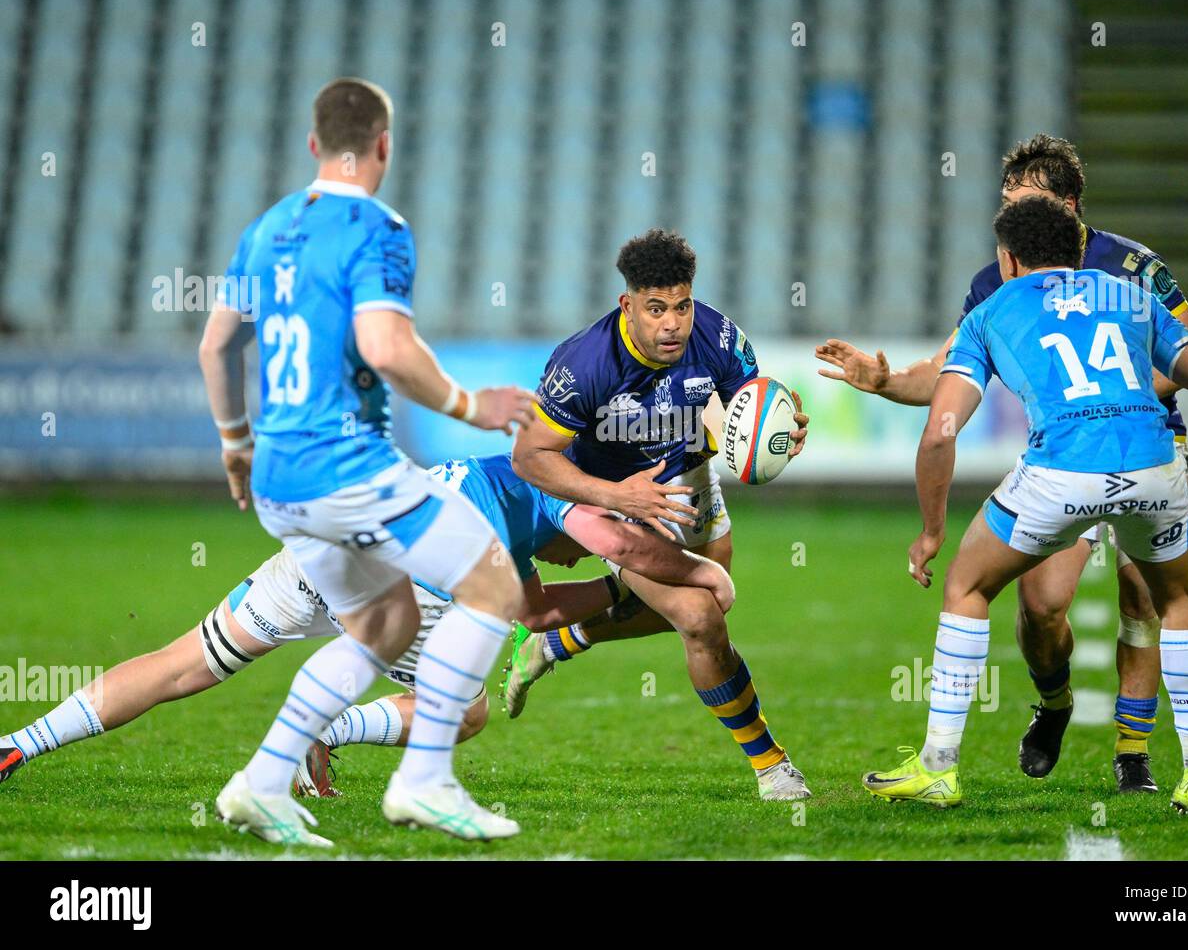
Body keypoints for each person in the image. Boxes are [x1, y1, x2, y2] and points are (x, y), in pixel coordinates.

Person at [198, 78, 534, 846]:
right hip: (344, 465)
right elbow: (386, 348)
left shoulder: (267, 227)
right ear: (384, 144)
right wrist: (468, 406)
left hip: (280, 477)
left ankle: (263, 781)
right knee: (492, 583)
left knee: (387, 623)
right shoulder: (379, 227)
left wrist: (234, 442)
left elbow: (216, 345)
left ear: (314, 145)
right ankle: (424, 780)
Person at [817, 134, 1188, 793]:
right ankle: (1054, 703)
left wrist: (1120, 400)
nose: (1011, 215)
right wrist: (882, 380)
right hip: (1067, 455)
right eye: (1007, 200)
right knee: (1043, 602)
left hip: (1149, 444)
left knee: (1145, 597)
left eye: (1026, 201)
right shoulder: (996, 280)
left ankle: (1133, 755)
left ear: (1070, 205)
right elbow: (943, 378)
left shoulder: (1135, 268)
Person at [0, 455, 733, 803]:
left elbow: (536, 607)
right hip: (399, 586)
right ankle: (328, 730)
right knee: (468, 711)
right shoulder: (559, 498)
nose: (580, 542)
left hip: (328, 548)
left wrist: (604, 591)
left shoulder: (501, 478)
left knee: (181, 664)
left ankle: (16, 745)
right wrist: (699, 576)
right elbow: (621, 549)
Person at [510, 228, 813, 800]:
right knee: (699, 616)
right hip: (609, 495)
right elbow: (529, 457)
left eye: (682, 305)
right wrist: (615, 497)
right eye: (656, 309)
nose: (673, 323)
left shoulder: (720, 336)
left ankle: (558, 639)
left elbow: (757, 405)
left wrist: (784, 428)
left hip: (688, 477)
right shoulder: (584, 365)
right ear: (628, 306)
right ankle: (771, 765)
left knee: (718, 594)